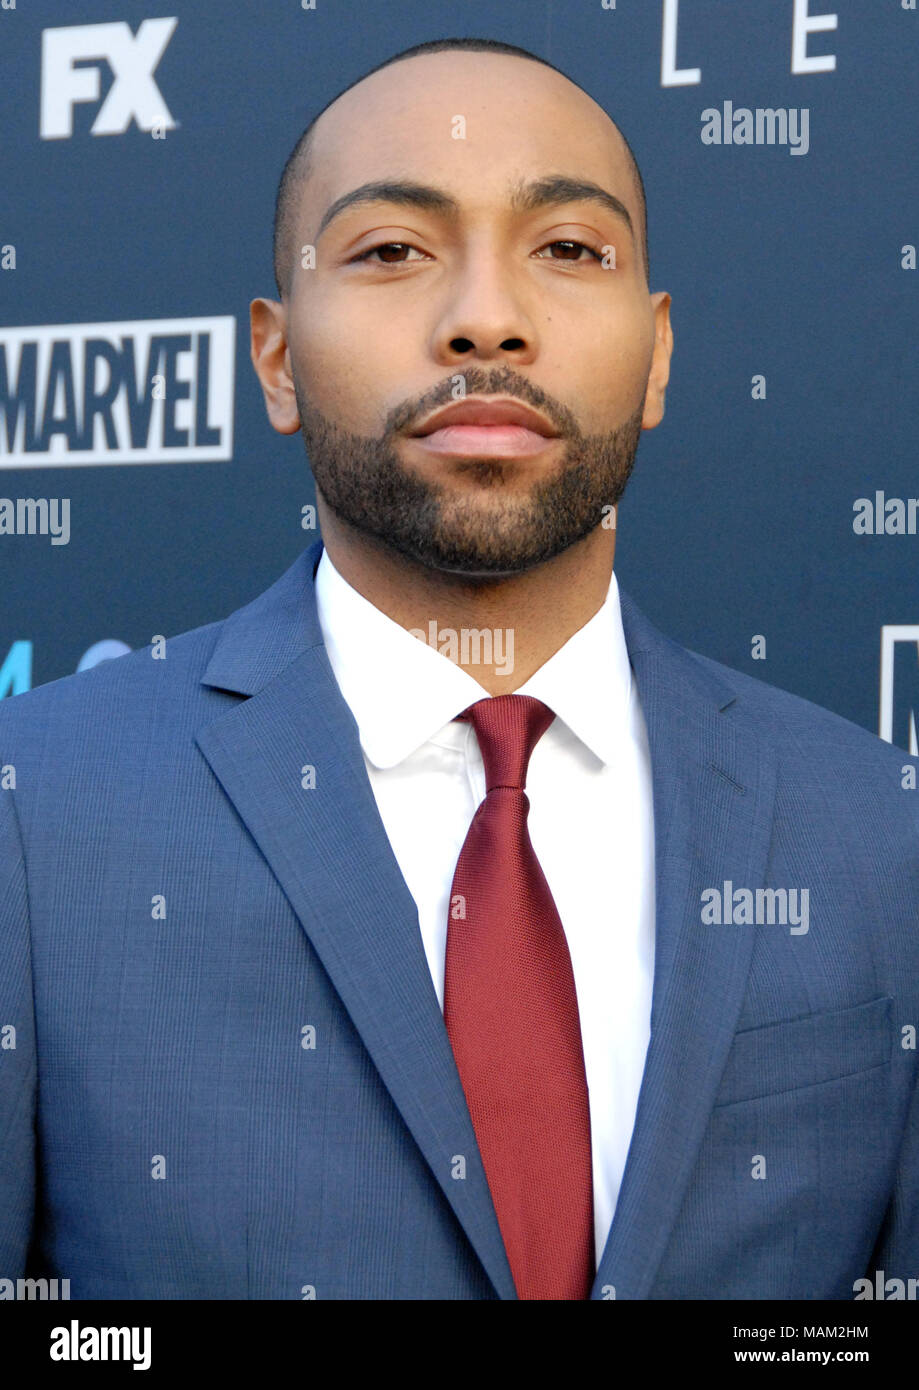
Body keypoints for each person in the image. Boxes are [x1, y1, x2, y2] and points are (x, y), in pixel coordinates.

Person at [1, 36, 916, 1302]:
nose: (487, 316)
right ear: (275, 359)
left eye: (569, 249)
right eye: (391, 250)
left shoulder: (875, 832)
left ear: (657, 355)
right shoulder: (33, 814)